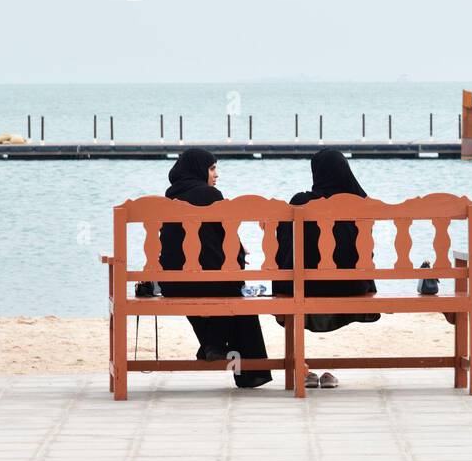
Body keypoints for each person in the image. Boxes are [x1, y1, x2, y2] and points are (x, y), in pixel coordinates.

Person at [159, 148, 272, 389]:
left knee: (213, 283)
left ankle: (212, 345)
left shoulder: (168, 198)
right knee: (236, 291)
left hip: (173, 285)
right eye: (212, 168)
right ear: (199, 170)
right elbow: (226, 235)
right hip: (214, 282)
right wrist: (240, 254)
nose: (216, 175)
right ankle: (243, 367)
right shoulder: (210, 195)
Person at [273, 151, 380, 387]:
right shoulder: (361, 203)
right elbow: (368, 252)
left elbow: (283, 246)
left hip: (304, 287)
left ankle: (300, 371)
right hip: (353, 287)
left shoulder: (301, 201)